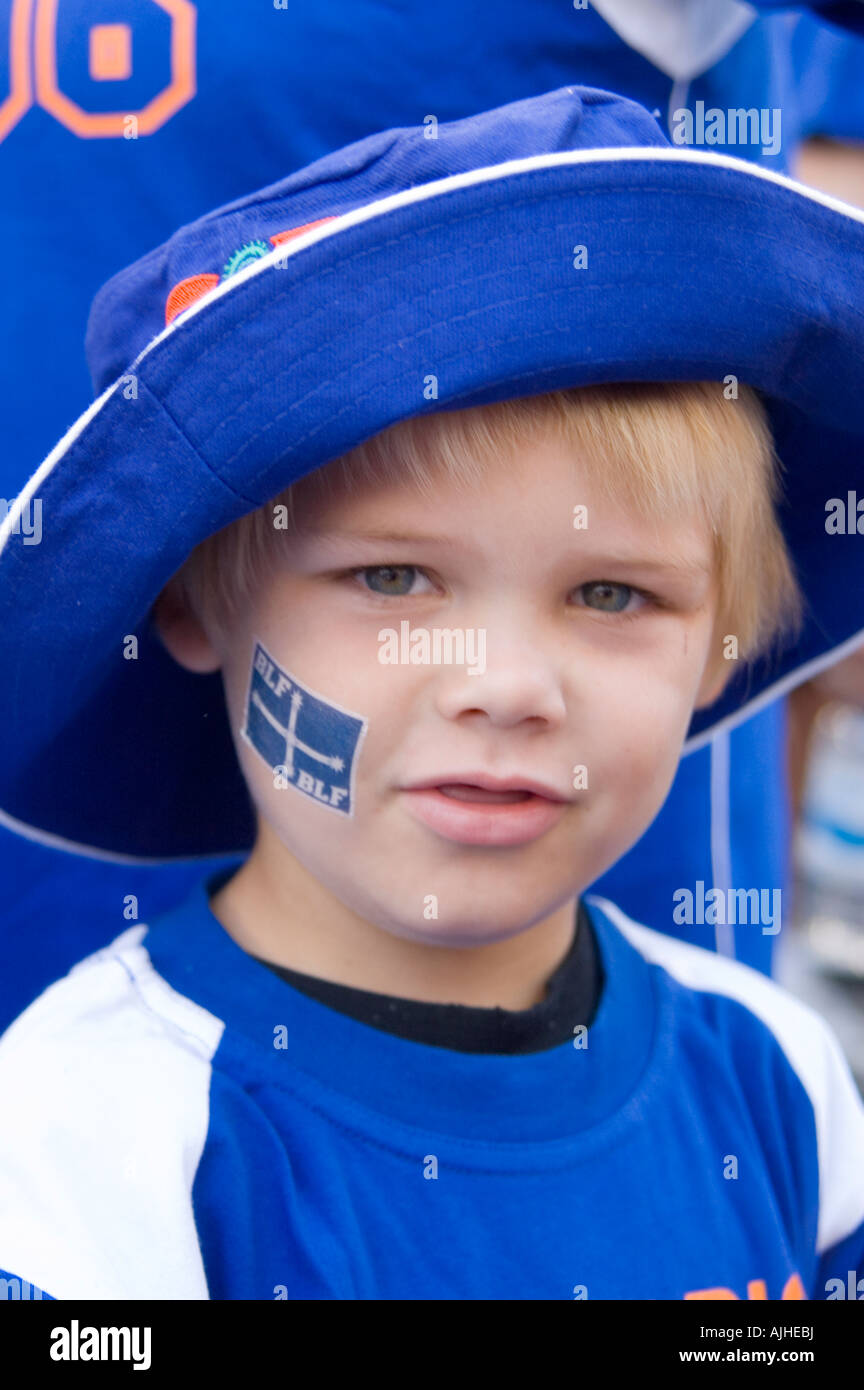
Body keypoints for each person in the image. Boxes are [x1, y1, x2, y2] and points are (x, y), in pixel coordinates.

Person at [1, 85, 863, 1301]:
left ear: (721, 642)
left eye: (613, 595)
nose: (508, 689)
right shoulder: (92, 1142)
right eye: (393, 577)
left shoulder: (781, 1079)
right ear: (194, 604)